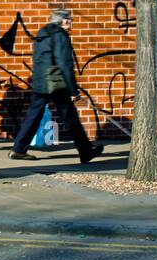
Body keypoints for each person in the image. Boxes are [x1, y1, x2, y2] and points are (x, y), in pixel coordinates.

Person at [10, 8, 104, 163]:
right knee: (70, 117)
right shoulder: (60, 35)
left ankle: (18, 149)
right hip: (55, 83)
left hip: (40, 81)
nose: (71, 22)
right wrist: (73, 90)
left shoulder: (42, 34)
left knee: (33, 115)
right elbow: (64, 64)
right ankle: (86, 151)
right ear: (64, 20)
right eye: (70, 19)